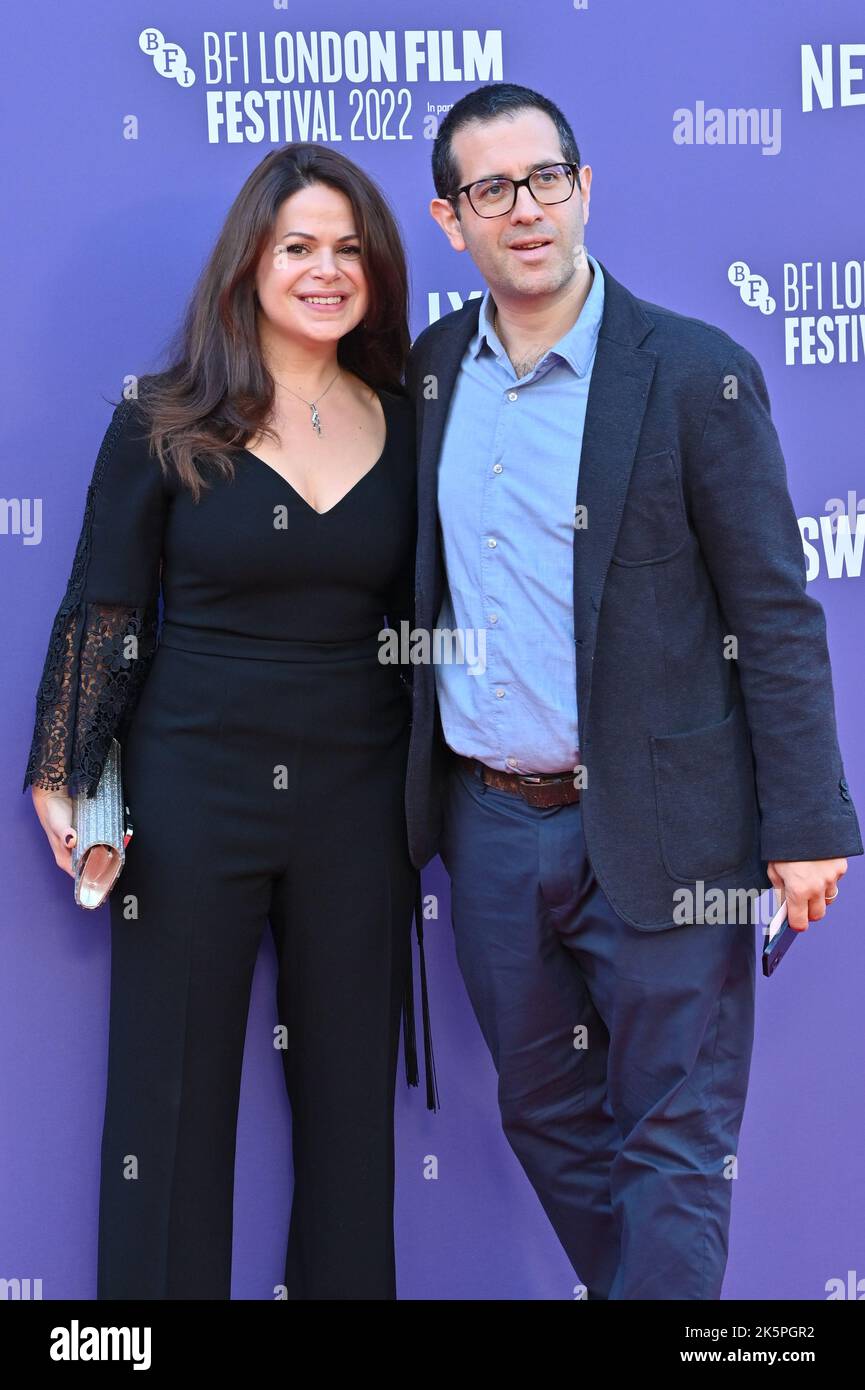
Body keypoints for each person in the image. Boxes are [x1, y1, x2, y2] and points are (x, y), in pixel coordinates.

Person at [402, 83, 862, 1299]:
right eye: (491, 190)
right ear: (451, 221)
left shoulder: (695, 374)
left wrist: (808, 819)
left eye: (546, 177)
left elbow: (772, 610)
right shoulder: (435, 374)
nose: (527, 209)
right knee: (545, 1117)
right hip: (493, 826)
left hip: (673, 824)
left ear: (585, 185)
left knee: (673, 1141)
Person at [23, 141, 437, 1302]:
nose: (326, 269)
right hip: (190, 791)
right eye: (298, 246)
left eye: (350, 248)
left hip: (360, 801)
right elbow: (104, 604)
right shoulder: (163, 418)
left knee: (352, 1113)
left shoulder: (417, 425)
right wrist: (66, 765)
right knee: (167, 1099)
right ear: (248, 263)